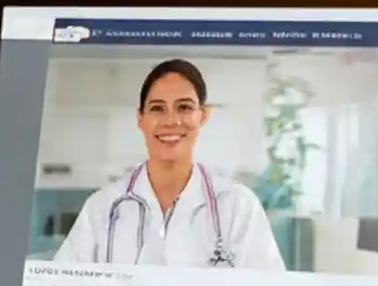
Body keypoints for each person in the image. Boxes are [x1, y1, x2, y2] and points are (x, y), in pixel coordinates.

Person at [53, 58, 286, 269]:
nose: (171, 121)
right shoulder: (102, 207)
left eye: (184, 107)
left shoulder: (237, 205)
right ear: (140, 119)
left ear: (202, 116)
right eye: (157, 109)